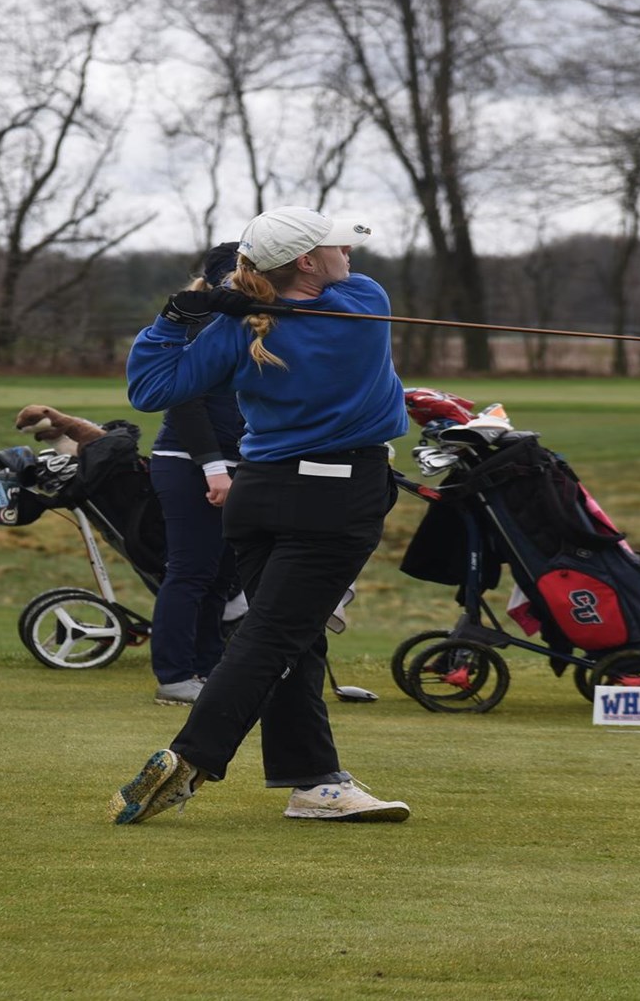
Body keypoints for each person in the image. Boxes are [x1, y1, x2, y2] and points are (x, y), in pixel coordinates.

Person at [110, 206, 409, 824]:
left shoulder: (239, 328)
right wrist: (239, 303)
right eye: (336, 248)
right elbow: (325, 290)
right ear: (307, 261)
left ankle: (314, 782)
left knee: (291, 633)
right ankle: (189, 756)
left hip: (259, 495)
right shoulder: (363, 301)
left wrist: (172, 322)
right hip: (338, 497)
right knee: (275, 634)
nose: (348, 257)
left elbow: (150, 391)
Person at [146, 242, 247, 707]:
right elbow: (184, 404)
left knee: (221, 577)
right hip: (189, 463)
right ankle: (174, 674)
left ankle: (208, 668)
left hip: (238, 464)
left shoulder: (250, 324)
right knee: (190, 572)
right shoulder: (201, 324)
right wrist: (213, 468)